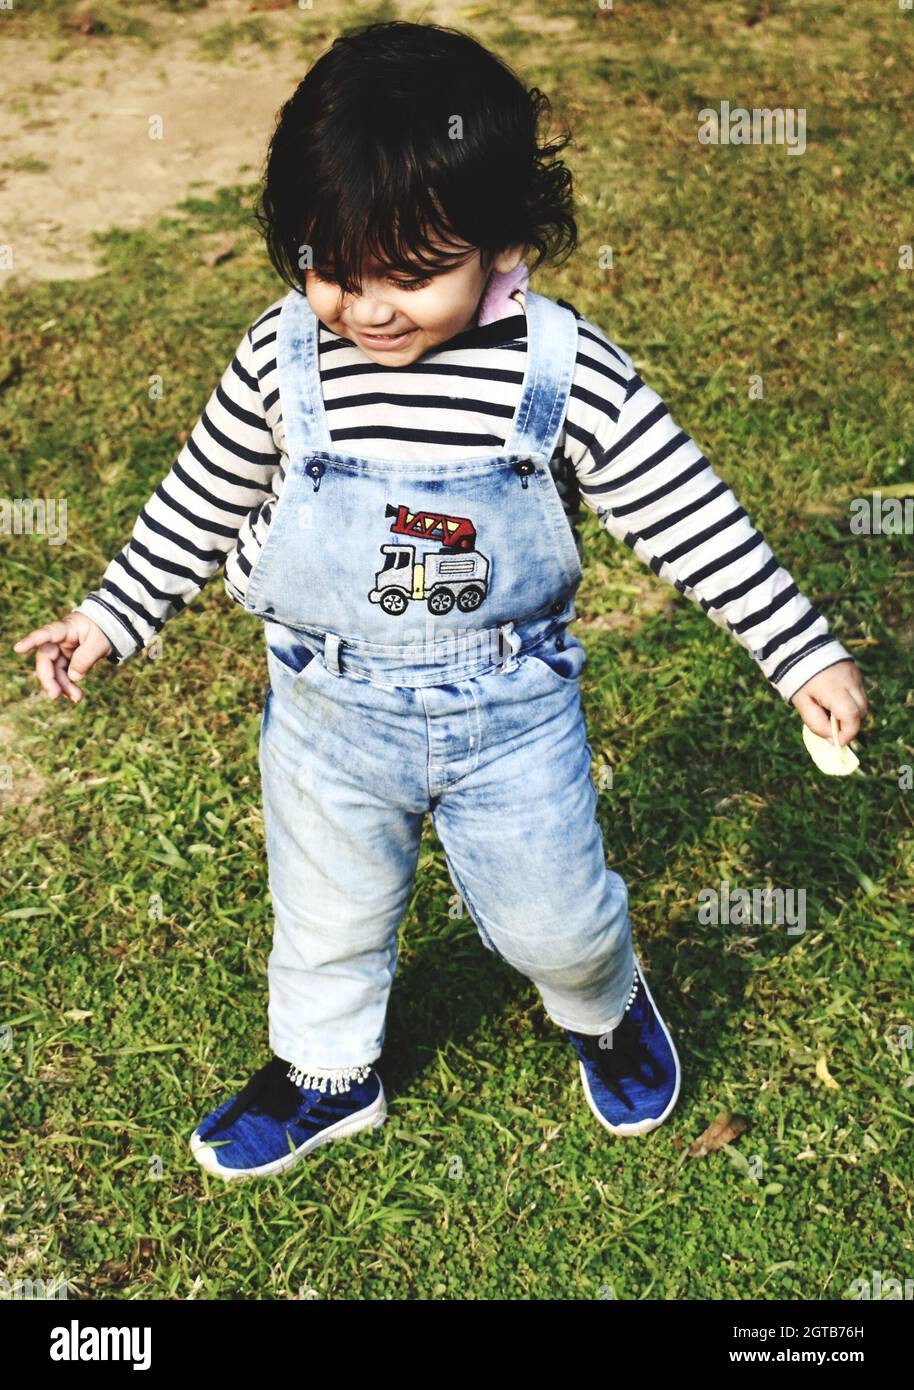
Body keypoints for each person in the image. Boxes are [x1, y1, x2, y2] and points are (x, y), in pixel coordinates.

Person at [13, 20, 868, 1182]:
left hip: (509, 712)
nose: (367, 308)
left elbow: (689, 515)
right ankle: (325, 1071)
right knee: (327, 917)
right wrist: (109, 616)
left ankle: (605, 1003)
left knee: (553, 919)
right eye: (331, 268)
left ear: (506, 244)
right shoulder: (280, 358)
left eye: (411, 275)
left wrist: (799, 655)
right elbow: (199, 497)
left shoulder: (561, 369)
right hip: (327, 713)